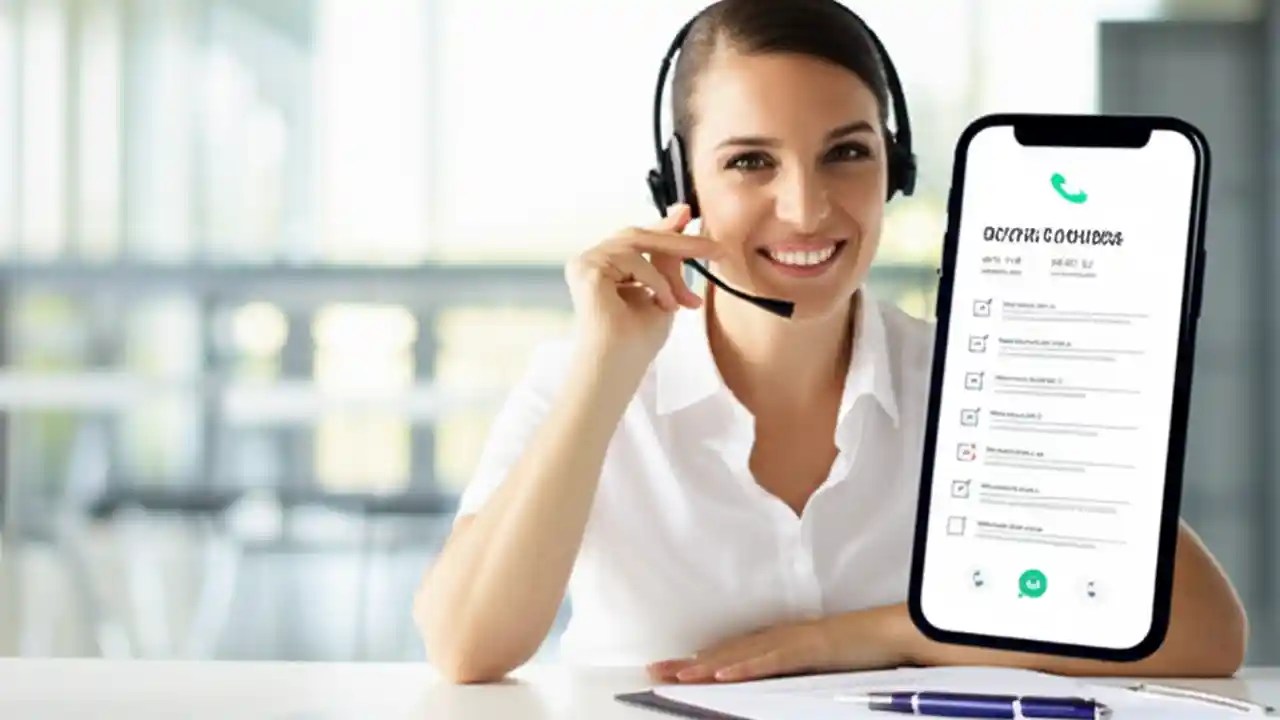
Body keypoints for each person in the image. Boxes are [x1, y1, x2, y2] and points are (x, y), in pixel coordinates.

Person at [414, 0, 1248, 685]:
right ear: (682, 184)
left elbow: (1204, 632)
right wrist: (606, 371)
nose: (808, 209)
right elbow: (467, 648)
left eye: (846, 152)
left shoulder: (970, 376)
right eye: (750, 163)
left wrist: (877, 634)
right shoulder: (586, 375)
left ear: (896, 166)